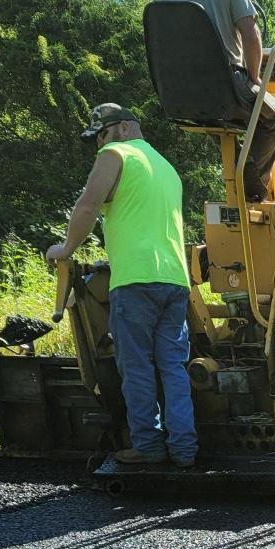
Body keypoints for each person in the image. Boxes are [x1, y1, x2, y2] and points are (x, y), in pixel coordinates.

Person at [46, 104, 198, 470]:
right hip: (175, 280)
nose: (99, 142)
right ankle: (184, 450)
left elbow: (87, 207)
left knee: (137, 366)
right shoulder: (166, 168)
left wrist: (65, 249)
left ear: (125, 129)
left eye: (103, 132)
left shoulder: (115, 155)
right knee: (174, 367)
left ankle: (147, 446)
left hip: (135, 280)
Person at [154, 0, 275, 202]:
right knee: (274, 116)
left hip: (178, 93)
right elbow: (251, 33)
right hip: (224, 86)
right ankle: (253, 185)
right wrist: (255, 77)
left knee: (211, 117)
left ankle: (241, 165)